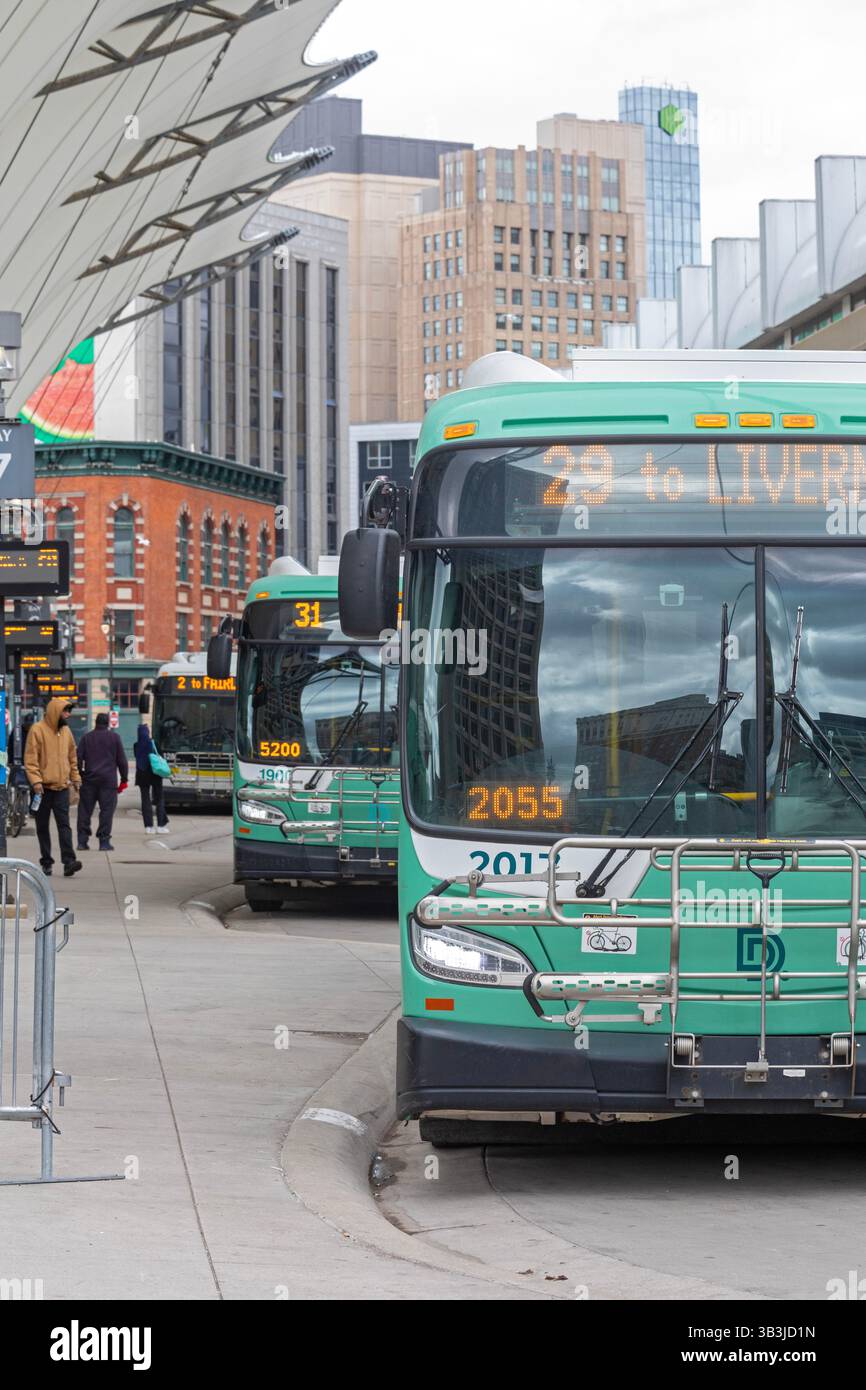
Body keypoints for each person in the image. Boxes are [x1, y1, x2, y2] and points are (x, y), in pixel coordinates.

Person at [23, 698, 83, 877]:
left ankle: (69, 861)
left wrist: (75, 778)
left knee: (64, 825)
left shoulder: (66, 731)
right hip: (43, 788)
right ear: (56, 711)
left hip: (62, 788)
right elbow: (31, 759)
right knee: (42, 826)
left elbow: (72, 757)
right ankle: (46, 861)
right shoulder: (37, 730)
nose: (68, 714)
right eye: (66, 711)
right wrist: (36, 782)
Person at [76, 712, 129, 851]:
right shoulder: (115, 738)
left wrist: (81, 774)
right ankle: (104, 841)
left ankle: (82, 841)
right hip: (108, 781)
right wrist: (124, 779)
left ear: (96, 722)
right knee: (106, 811)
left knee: (85, 811)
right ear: (107, 723)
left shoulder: (86, 738)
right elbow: (122, 761)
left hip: (89, 780)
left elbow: (78, 758)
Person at [133, 721, 169, 835]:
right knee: (159, 799)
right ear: (148, 733)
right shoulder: (154, 743)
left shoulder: (136, 745)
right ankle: (160, 826)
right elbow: (161, 756)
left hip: (142, 775)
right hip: (155, 774)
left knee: (145, 800)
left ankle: (148, 827)